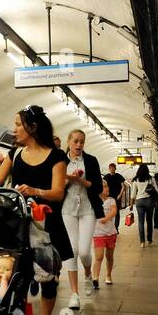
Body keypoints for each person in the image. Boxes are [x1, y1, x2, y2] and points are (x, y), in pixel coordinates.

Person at [0, 105, 70, 315]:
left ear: (32, 127)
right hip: (19, 224)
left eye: (18, 124)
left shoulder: (56, 156)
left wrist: (35, 191)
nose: (14, 129)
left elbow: (58, 192)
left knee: (48, 278)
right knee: (17, 277)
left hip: (47, 225)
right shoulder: (14, 153)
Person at [60, 129, 103, 304]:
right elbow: (56, 186)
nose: (79, 145)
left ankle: (87, 274)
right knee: (72, 250)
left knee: (85, 251)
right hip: (67, 209)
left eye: (82, 142)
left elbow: (98, 187)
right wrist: (69, 179)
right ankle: (74, 294)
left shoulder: (91, 161)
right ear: (68, 142)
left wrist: (82, 181)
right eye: (76, 141)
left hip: (87, 209)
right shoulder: (60, 161)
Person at [91, 180, 118, 285]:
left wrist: (105, 218)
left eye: (107, 186)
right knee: (99, 257)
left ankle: (108, 274)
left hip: (111, 233)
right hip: (98, 234)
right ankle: (95, 278)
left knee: (109, 256)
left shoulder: (111, 200)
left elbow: (114, 211)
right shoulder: (93, 201)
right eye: (104, 187)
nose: (107, 188)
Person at [131, 162, 157, 247]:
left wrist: (131, 205)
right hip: (149, 201)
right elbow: (157, 191)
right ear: (147, 170)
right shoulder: (151, 179)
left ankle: (142, 242)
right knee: (149, 221)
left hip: (139, 201)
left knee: (141, 222)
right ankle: (149, 240)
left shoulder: (135, 180)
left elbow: (133, 194)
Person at [103, 163, 127, 233]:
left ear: (115, 168)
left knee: (116, 213)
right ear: (109, 169)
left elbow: (123, 186)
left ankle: (116, 228)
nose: (111, 169)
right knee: (107, 212)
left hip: (117, 197)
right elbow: (103, 185)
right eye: (110, 168)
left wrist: (120, 194)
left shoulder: (119, 176)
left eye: (113, 168)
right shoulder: (106, 177)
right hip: (108, 197)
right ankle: (108, 228)